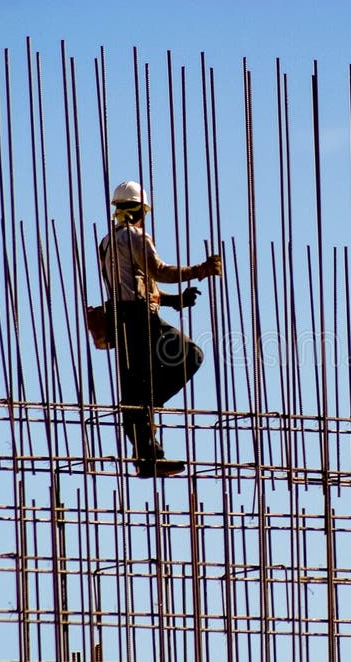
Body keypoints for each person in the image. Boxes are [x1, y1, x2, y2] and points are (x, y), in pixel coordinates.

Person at [98, 181, 222, 478]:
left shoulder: (106, 241)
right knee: (190, 354)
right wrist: (199, 270)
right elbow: (159, 271)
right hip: (140, 319)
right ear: (141, 209)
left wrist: (173, 301)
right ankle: (146, 406)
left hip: (120, 318)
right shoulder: (137, 236)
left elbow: (133, 285)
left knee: (134, 386)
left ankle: (148, 457)